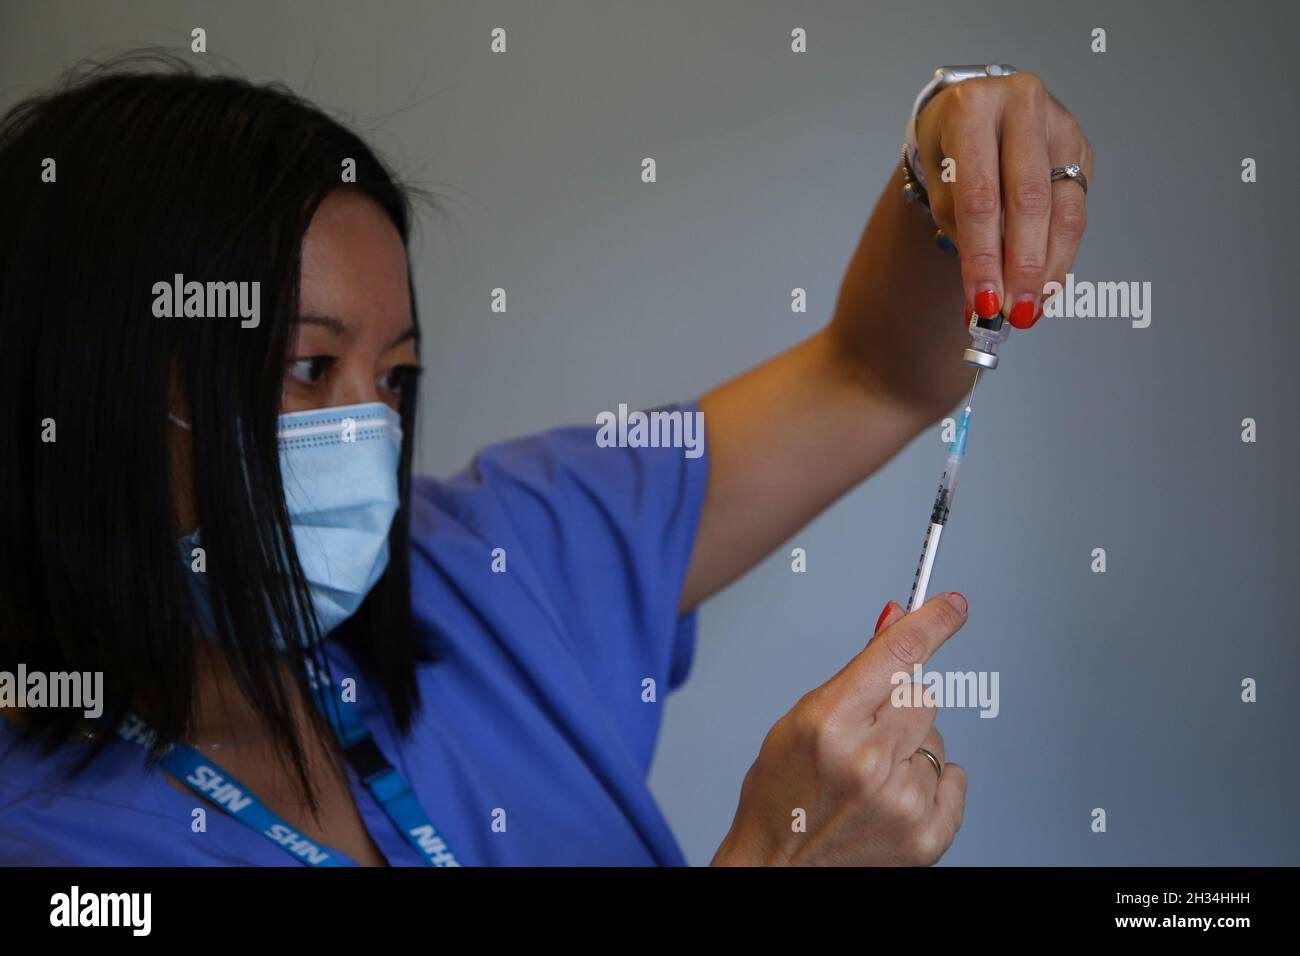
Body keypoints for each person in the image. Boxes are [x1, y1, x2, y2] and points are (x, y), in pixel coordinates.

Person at [0, 55, 1092, 866]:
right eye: (304, 365)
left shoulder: (493, 559)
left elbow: (874, 373)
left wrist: (950, 148)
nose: (365, 435)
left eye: (394, 378)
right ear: (87, 380)